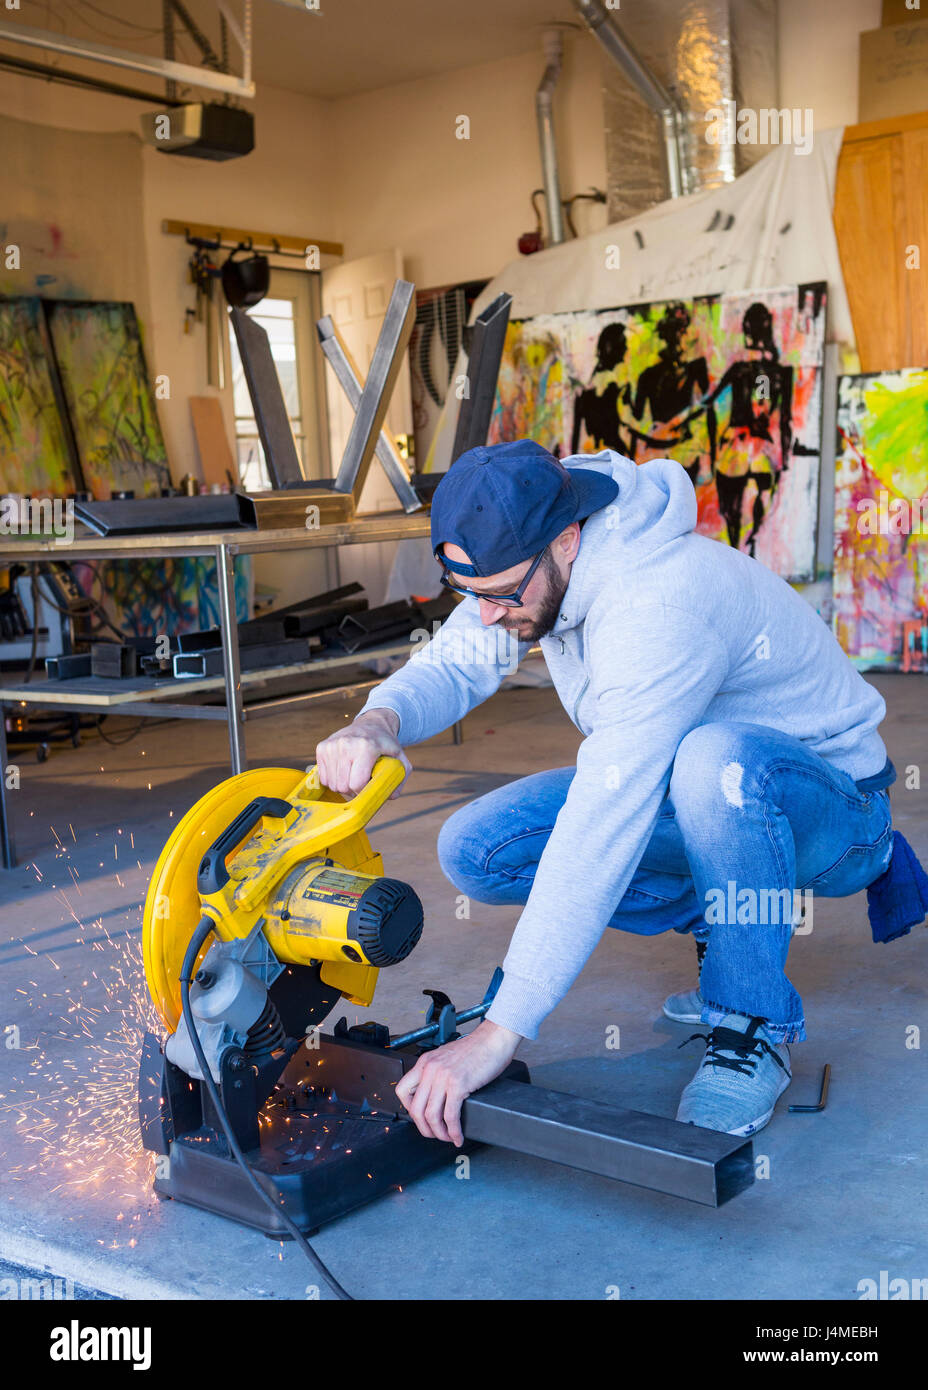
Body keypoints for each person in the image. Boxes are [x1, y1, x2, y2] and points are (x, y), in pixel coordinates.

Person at [315, 439, 918, 1149]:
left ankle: (753, 1021)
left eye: (502, 594)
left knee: (710, 761)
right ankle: (727, 934)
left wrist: (498, 1033)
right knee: (477, 849)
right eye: (467, 595)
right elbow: (457, 660)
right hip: (706, 793)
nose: (486, 616)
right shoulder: (530, 562)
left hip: (837, 809)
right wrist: (377, 719)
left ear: (566, 541)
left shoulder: (655, 602)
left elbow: (603, 825)